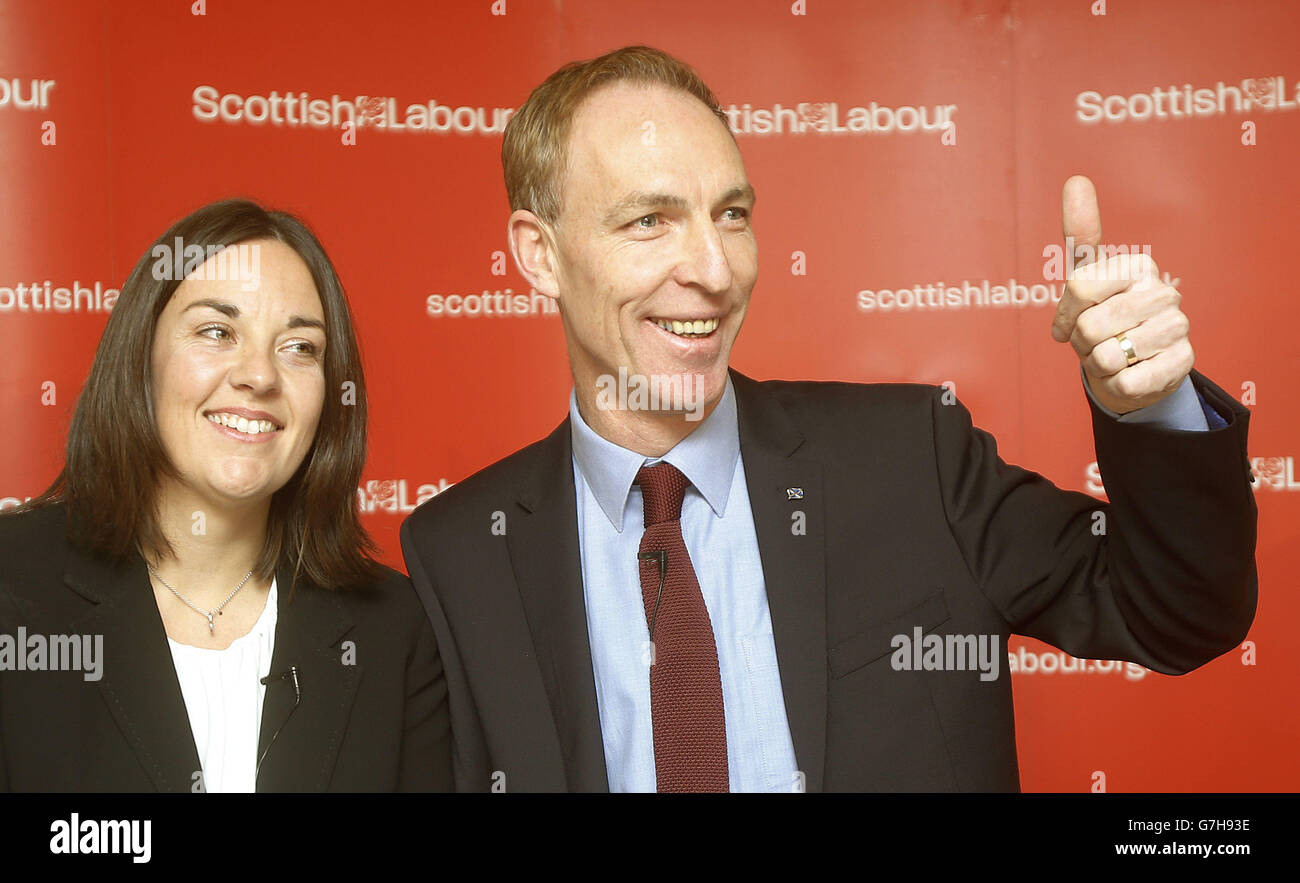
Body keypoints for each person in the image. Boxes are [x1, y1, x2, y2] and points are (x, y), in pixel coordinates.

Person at [400, 46, 1257, 792]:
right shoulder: (460, 554)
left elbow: (1176, 614)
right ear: (538, 255)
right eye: (650, 220)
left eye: (731, 215)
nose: (712, 267)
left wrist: (1151, 406)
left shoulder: (911, 458)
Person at [0, 199, 450, 792]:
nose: (259, 376)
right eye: (217, 331)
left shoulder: (396, 633)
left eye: (300, 348)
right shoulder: (13, 586)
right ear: (141, 360)